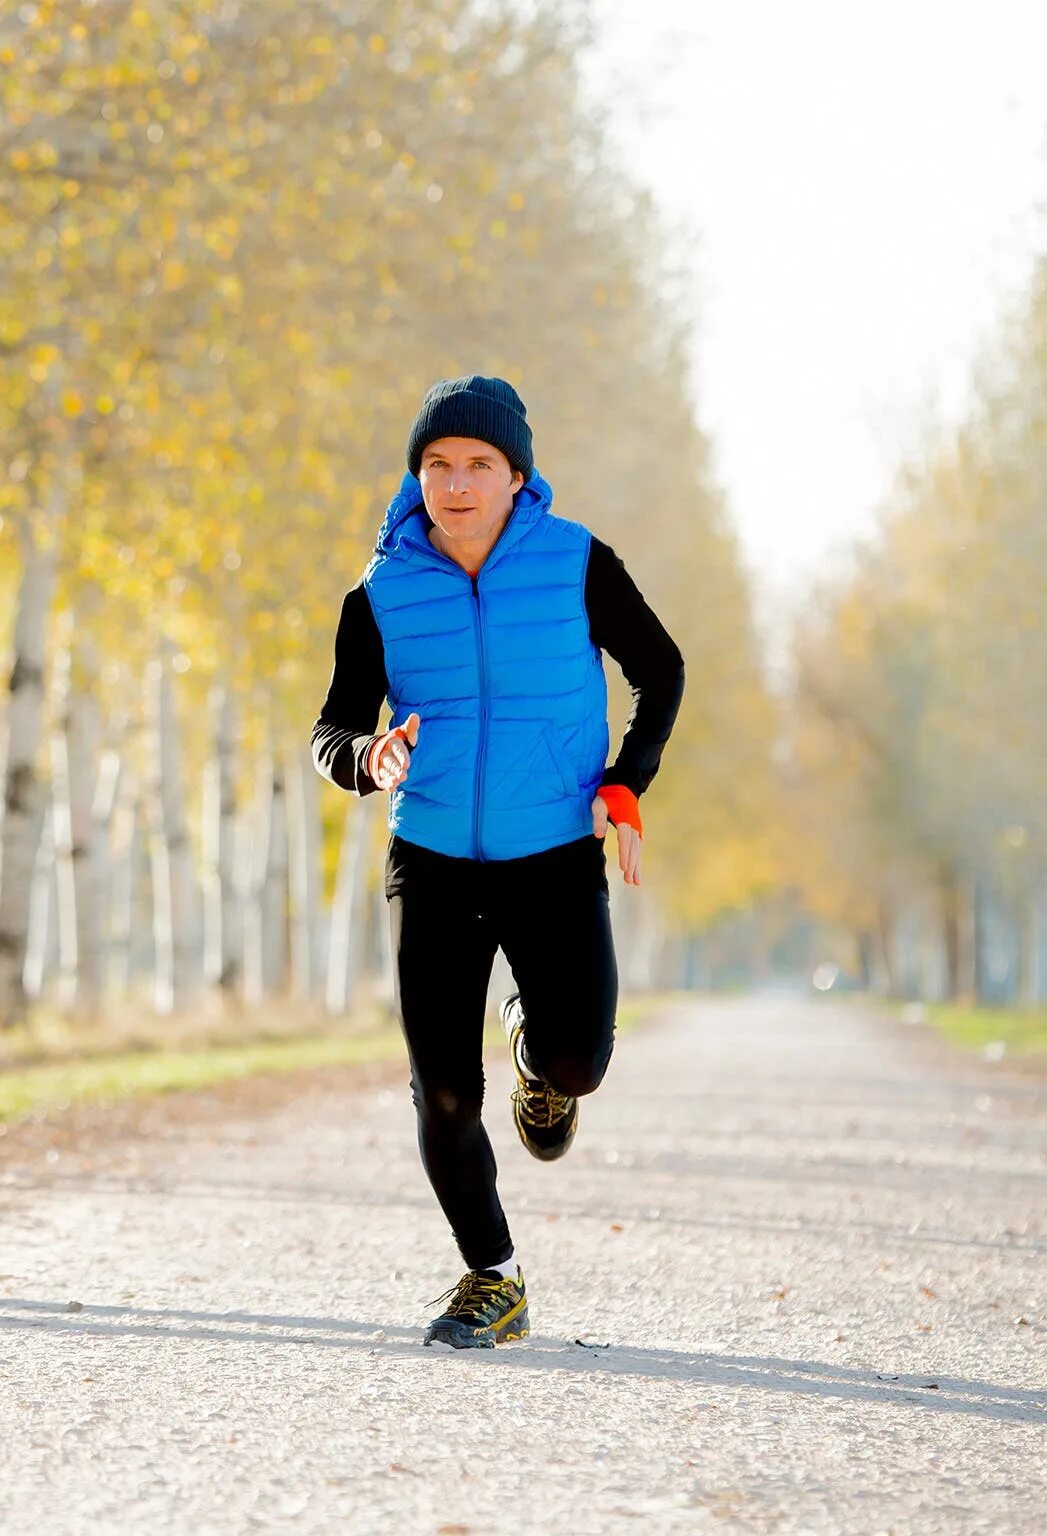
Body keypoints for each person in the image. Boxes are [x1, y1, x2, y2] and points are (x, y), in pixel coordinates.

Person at [310, 375, 684, 1348]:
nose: (457, 483)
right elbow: (335, 727)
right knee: (440, 1088)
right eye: (438, 465)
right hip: (431, 857)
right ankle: (494, 1277)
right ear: (417, 476)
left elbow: (662, 669)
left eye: (479, 465)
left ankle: (537, 1054)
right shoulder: (382, 589)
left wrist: (623, 781)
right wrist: (366, 757)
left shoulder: (575, 565)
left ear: (519, 476)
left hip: (553, 855)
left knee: (580, 1061)